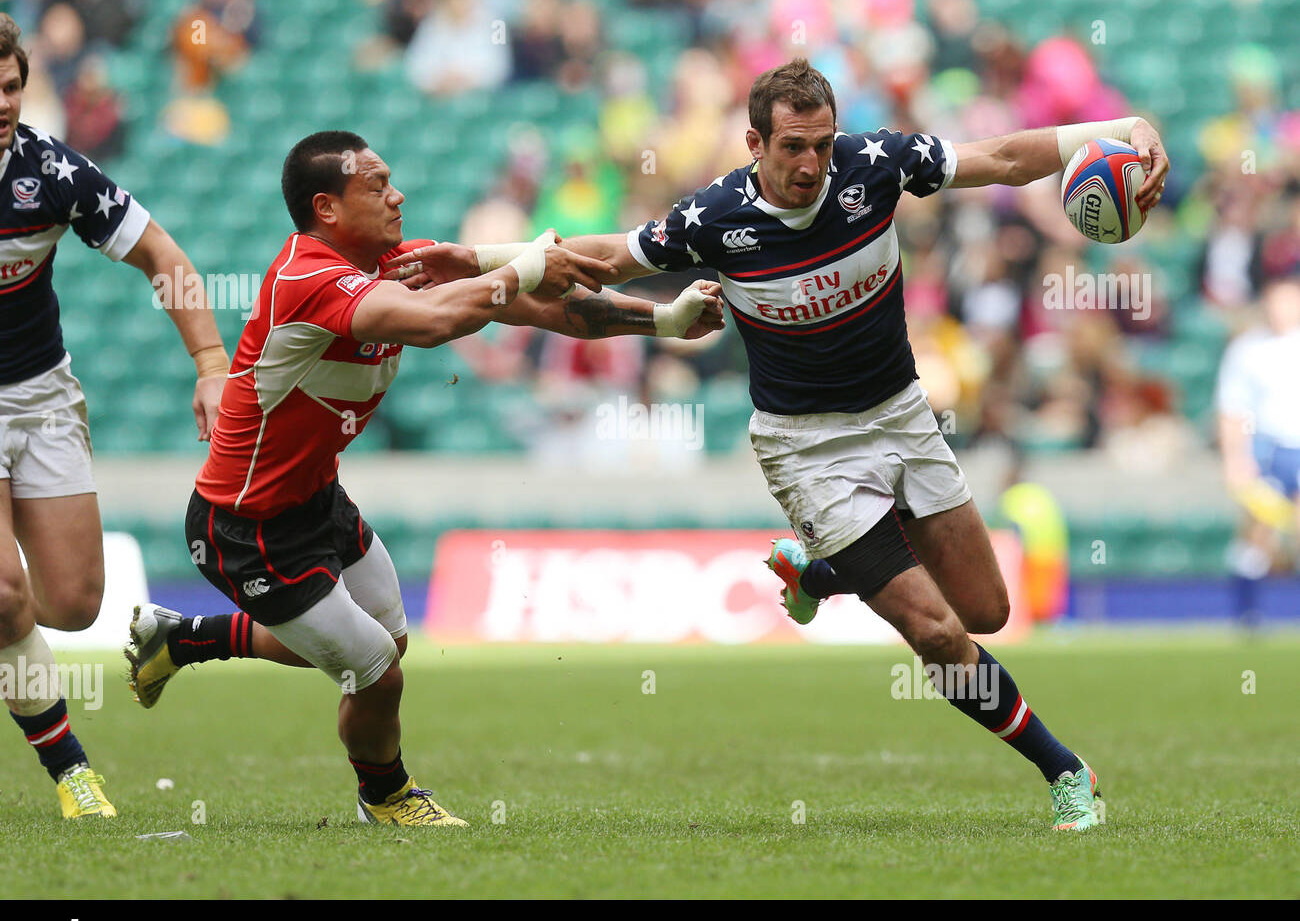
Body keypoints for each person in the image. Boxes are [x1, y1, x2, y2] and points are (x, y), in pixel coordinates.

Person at [391, 58, 1171, 831]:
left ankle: (822, 572)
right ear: (754, 143)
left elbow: (1001, 157)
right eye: (793, 146)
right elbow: (603, 256)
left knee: (987, 610)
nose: (811, 164)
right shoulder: (714, 218)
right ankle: (1065, 769)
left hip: (901, 414)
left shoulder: (878, 165)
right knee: (937, 631)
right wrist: (478, 260)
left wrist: (1121, 130)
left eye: (823, 145)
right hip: (806, 448)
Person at [125, 130, 724, 828]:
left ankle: (185, 639)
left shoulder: (393, 261)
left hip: (315, 498)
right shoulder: (305, 278)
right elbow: (441, 321)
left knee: (384, 641)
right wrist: (519, 264)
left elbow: (546, 305)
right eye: (377, 185)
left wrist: (664, 318)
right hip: (245, 525)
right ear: (326, 208)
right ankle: (385, 796)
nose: (397, 194)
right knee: (377, 669)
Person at [0, 14, 228, 819]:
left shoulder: (54, 172)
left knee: (71, 603)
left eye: (11, 86)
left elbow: (161, 254)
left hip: (39, 396)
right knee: (3, 596)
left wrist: (208, 363)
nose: (1, 102)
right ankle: (71, 771)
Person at [1215, 275, 1300, 628]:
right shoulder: (1248, 349)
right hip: (1268, 448)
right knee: (1258, 533)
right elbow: (1231, 409)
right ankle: (1246, 614)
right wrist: (1235, 458)